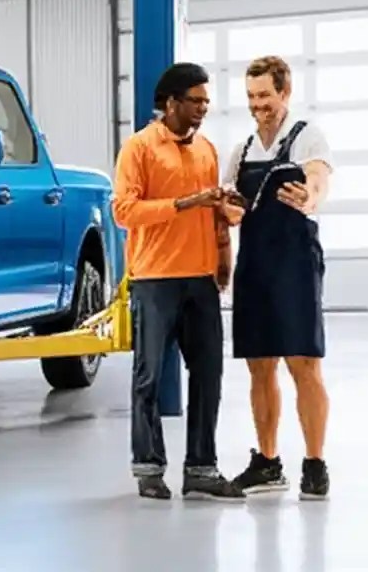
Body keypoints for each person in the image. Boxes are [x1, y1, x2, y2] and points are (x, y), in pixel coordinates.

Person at [112, 62, 244, 502]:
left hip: (201, 280)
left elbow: (213, 213)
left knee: (208, 374)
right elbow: (124, 211)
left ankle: (201, 470)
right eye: (195, 101)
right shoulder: (139, 149)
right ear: (171, 103)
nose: (203, 108)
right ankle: (149, 468)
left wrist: (224, 252)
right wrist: (186, 202)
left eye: (207, 101)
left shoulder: (206, 149)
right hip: (155, 281)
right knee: (148, 377)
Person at [222, 55, 334, 500]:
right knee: (259, 366)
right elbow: (229, 205)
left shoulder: (307, 137)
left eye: (265, 95)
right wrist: (227, 214)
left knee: (304, 364)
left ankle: (314, 462)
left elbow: (319, 179)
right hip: (255, 267)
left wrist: (311, 197)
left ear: (284, 93)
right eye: (251, 96)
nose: (257, 105)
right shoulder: (243, 150)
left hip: (295, 265)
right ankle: (268, 463)